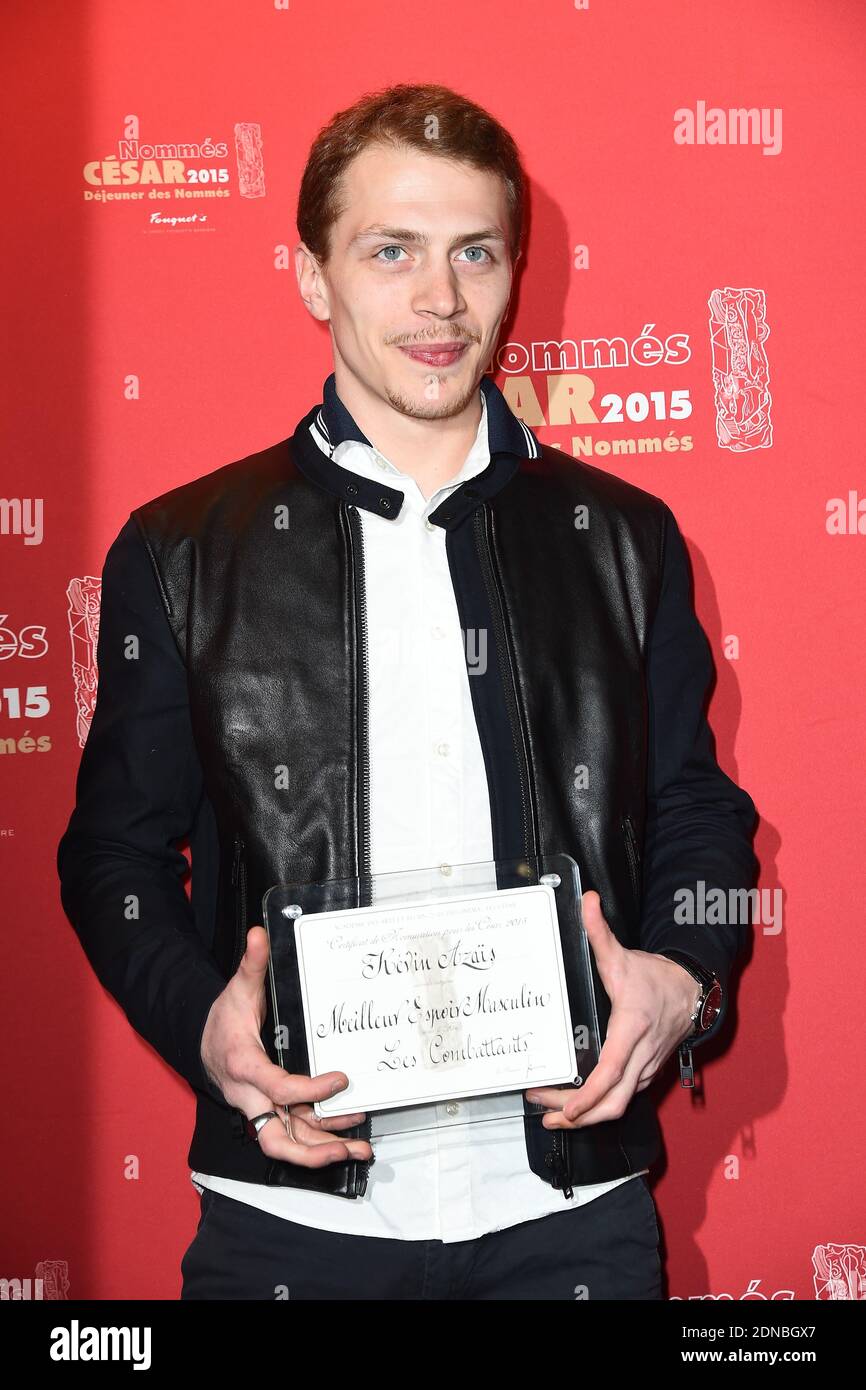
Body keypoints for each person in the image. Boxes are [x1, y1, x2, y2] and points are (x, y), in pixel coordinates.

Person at [57, 82, 758, 1301]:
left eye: (473, 253)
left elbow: (695, 810)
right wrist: (205, 1030)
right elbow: (112, 855)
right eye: (391, 252)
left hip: (571, 1214)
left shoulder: (622, 538)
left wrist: (684, 976)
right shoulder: (181, 552)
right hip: (289, 1216)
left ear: (512, 270)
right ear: (313, 277)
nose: (440, 302)